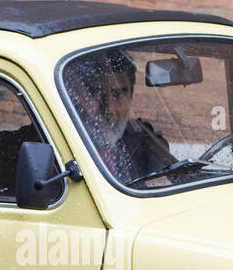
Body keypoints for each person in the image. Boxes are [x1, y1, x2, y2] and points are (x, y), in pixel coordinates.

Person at [64, 49, 175, 184]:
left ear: (130, 98)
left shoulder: (143, 140)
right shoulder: (54, 143)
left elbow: (173, 177)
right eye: (97, 93)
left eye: (118, 95)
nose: (109, 109)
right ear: (77, 98)